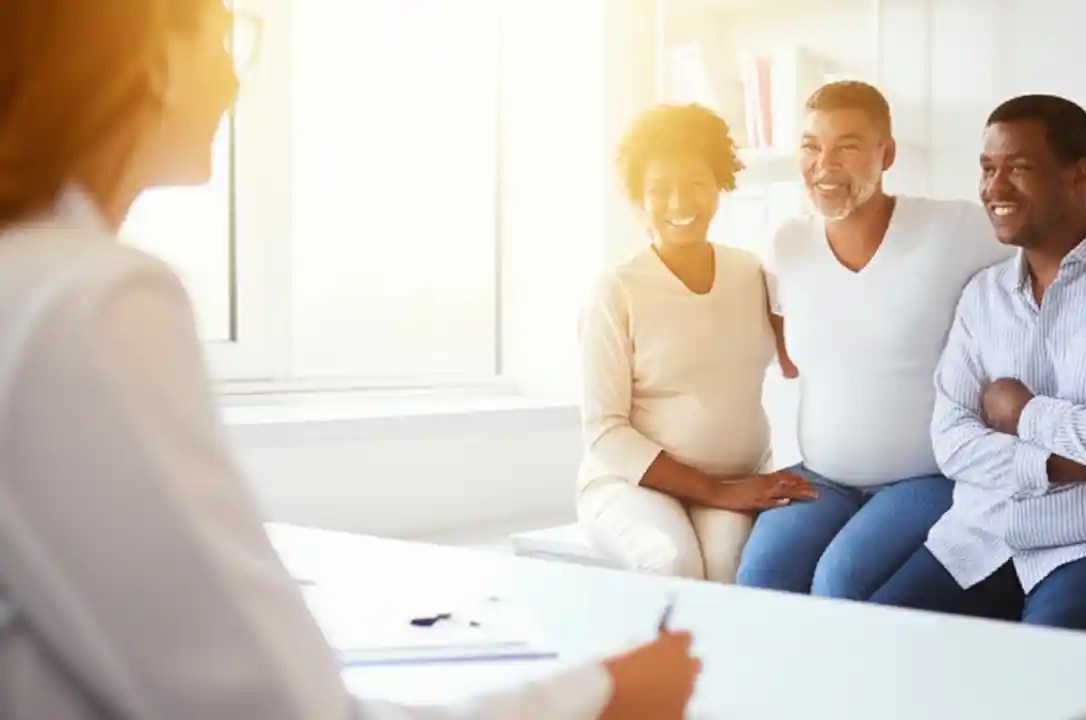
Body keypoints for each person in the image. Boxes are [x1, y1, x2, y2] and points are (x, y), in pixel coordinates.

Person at [0, 1, 698, 718]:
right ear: (151, 49)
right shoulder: (86, 302)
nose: (236, 84)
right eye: (228, 39)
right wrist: (603, 697)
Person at [736, 81, 1086, 602]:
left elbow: (1058, 231)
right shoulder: (786, 244)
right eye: (811, 146)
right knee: (759, 585)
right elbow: (788, 337)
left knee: (841, 586)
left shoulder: (957, 228)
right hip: (822, 476)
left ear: (886, 153)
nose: (825, 163)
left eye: (847, 145)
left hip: (925, 479)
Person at [867, 94, 1086, 638]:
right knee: (876, 642)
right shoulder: (984, 295)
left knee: (1048, 677)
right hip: (987, 534)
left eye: (1019, 169)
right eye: (987, 169)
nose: (995, 187)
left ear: (1079, 174)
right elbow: (953, 441)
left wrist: (1024, 414)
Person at [576, 104, 819, 582]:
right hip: (631, 485)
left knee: (732, 570)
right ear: (638, 199)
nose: (679, 203)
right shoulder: (616, 290)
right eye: (659, 190)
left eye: (695, 185)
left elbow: (798, 360)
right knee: (672, 563)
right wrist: (716, 491)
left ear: (719, 185)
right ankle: (656, 659)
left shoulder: (752, 272)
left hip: (736, 480)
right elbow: (604, 432)